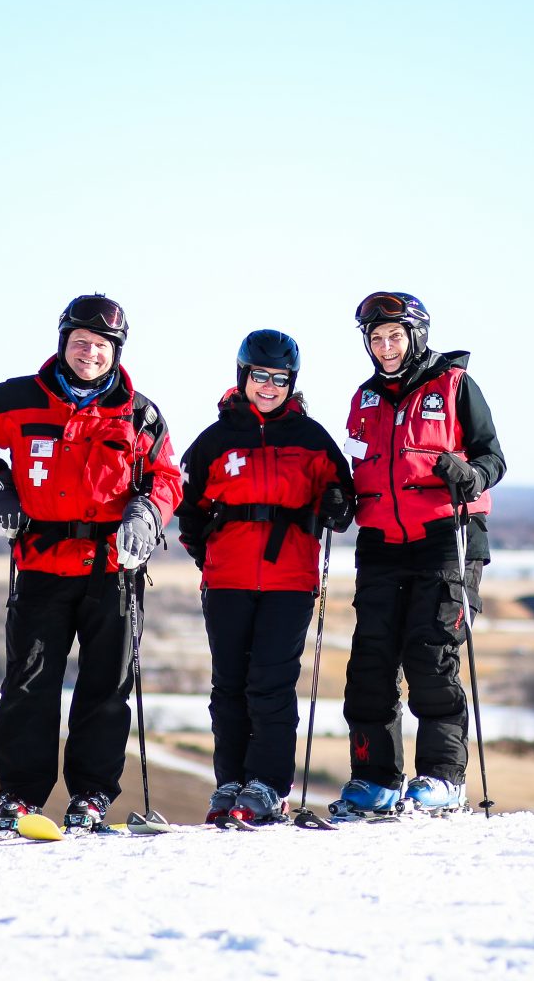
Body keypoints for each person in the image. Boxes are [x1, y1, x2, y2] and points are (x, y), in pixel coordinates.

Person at [0, 294, 182, 833]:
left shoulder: (141, 414)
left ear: (116, 352)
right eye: (80, 343)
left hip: (114, 569)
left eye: (101, 346)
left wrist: (147, 515)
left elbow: (167, 478)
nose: (89, 354)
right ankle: (19, 799)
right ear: (63, 344)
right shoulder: (17, 399)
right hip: (41, 562)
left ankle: (91, 798)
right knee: (29, 684)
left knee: (106, 688)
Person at [332, 291, 505, 817]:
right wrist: (340, 496)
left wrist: (469, 474)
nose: (385, 347)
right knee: (371, 666)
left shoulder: (454, 386)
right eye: (376, 338)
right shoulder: (363, 397)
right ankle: (375, 781)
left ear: (416, 336)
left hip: (444, 539)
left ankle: (441, 781)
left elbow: (493, 456)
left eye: (394, 336)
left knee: (431, 660)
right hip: (381, 543)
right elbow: (359, 466)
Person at [175, 330, 354, 825]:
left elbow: (343, 502)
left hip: (290, 581)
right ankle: (229, 781)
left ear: (291, 383)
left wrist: (337, 506)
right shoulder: (215, 439)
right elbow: (187, 507)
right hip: (227, 579)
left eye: (279, 379)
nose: (269, 387)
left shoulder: (311, 437)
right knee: (228, 685)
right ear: (243, 377)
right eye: (260, 376)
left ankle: (267, 787)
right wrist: (206, 557)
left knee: (270, 685)